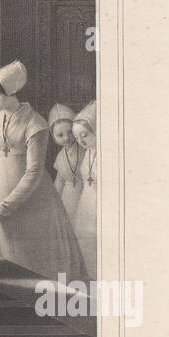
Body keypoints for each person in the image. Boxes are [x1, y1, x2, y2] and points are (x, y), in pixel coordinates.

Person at [0, 61, 88, 282]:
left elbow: (34, 171)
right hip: (2, 189)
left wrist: (6, 205)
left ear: (10, 91)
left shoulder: (35, 123)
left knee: (36, 254)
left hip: (33, 199)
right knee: (11, 249)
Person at [71, 101, 98, 277]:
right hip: (86, 205)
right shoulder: (88, 152)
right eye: (77, 138)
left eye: (84, 135)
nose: (81, 141)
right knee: (84, 242)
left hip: (100, 204)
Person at [48, 102, 84, 226]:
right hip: (67, 196)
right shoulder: (60, 157)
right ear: (53, 137)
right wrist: (55, 200)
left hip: (84, 192)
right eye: (60, 135)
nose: (66, 138)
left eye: (70, 132)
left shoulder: (85, 149)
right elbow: (60, 180)